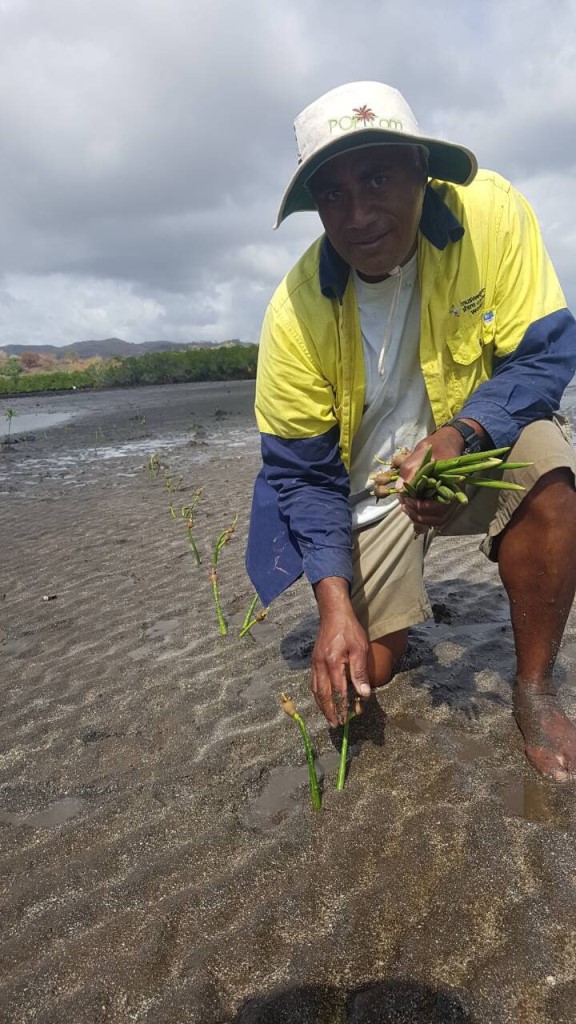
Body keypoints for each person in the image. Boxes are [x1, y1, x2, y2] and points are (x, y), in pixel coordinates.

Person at [246, 81, 576, 782]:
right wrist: (332, 606)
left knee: (551, 477)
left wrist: (463, 435)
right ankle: (383, 616)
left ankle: (535, 688)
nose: (359, 213)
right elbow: (301, 476)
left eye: (376, 176)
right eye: (333, 193)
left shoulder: (492, 217)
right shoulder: (292, 313)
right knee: (371, 680)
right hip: (368, 490)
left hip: (473, 447)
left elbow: (545, 352)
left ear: (421, 171)